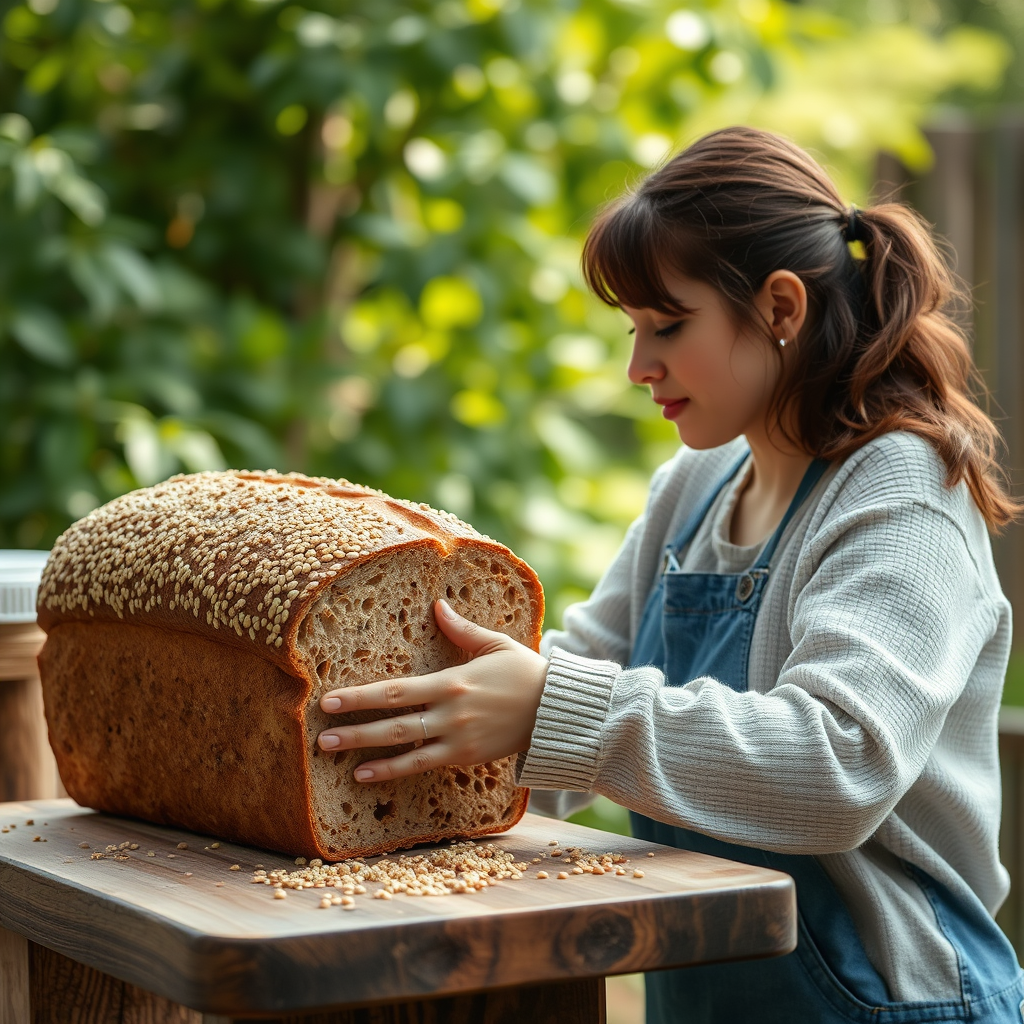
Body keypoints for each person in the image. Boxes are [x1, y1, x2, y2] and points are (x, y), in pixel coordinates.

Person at [314, 125, 1024, 1022]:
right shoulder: (695, 483)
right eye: (633, 328)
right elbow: (572, 667)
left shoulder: (903, 497)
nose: (636, 366)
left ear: (780, 308)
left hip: (892, 1003)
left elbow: (838, 765)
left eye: (668, 325)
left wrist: (548, 709)